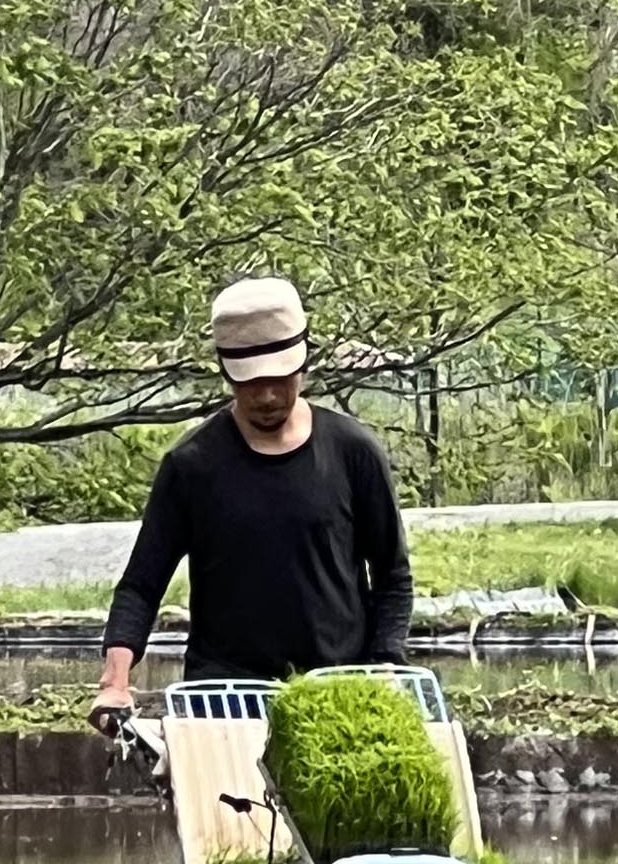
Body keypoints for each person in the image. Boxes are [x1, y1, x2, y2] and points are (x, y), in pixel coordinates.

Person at [91, 277, 413, 726]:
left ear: (302, 365)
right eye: (251, 383)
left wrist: (385, 662)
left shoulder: (352, 451)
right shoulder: (192, 465)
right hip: (223, 698)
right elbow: (142, 586)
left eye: (279, 380)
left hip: (337, 694)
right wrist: (115, 682)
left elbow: (392, 577)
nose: (266, 397)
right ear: (226, 373)